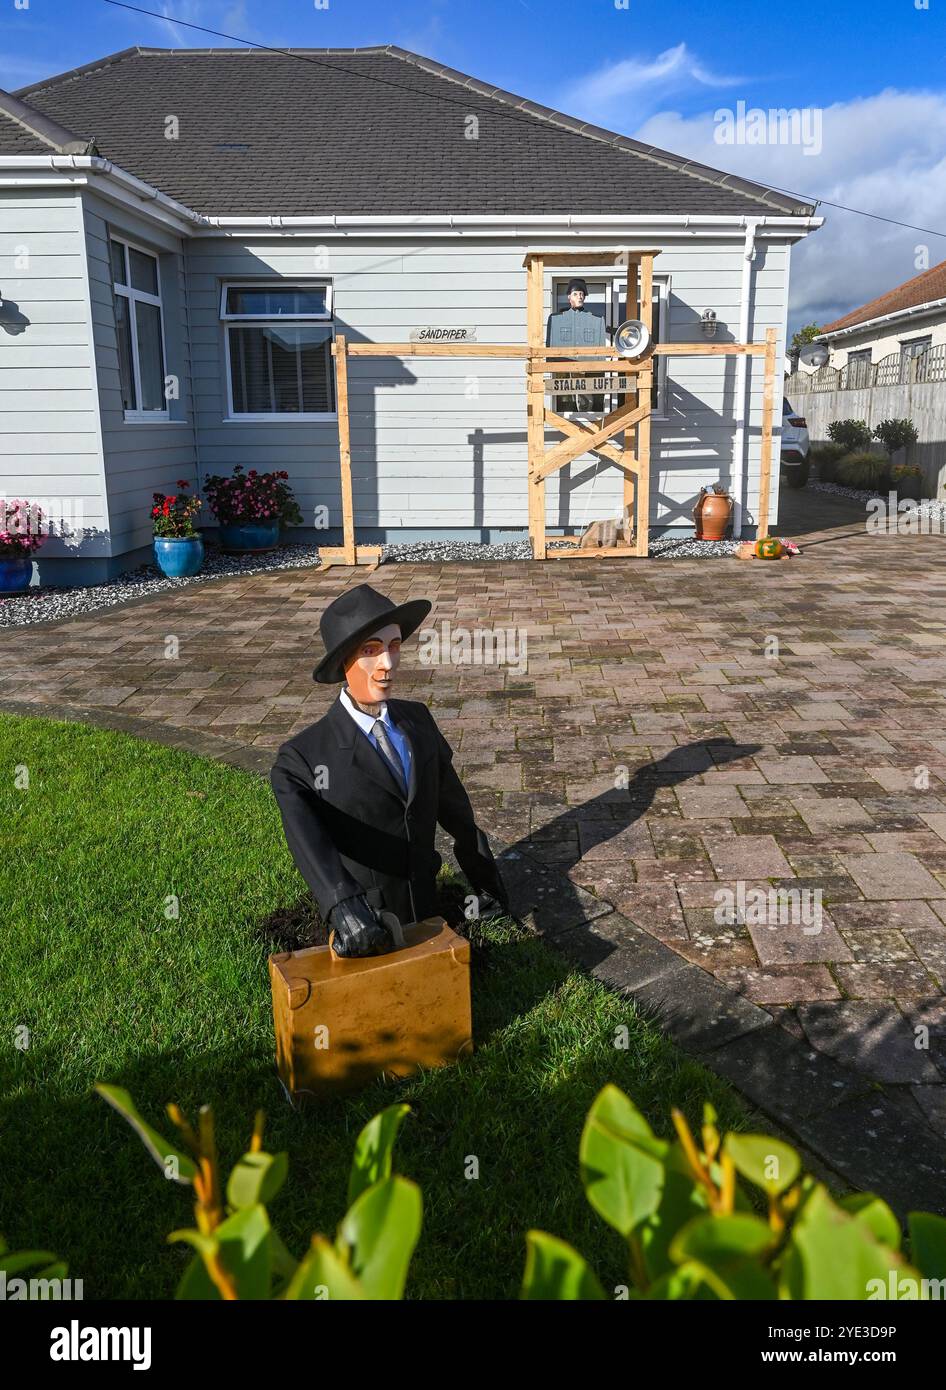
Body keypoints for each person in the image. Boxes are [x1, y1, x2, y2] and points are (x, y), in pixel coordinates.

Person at [269, 584, 510, 957]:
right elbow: (307, 840)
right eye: (370, 650)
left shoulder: (418, 721)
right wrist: (342, 904)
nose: (388, 663)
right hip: (372, 925)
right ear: (342, 662)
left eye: (393, 645)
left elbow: (455, 809)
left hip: (429, 910)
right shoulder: (303, 758)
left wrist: (485, 880)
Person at [545, 278, 607, 413]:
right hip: (564, 372)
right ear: (569, 297)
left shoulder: (596, 320)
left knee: (590, 405)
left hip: (589, 371)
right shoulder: (556, 319)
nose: (579, 297)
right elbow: (550, 348)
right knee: (566, 404)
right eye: (575, 294)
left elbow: (601, 351)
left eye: (581, 294)